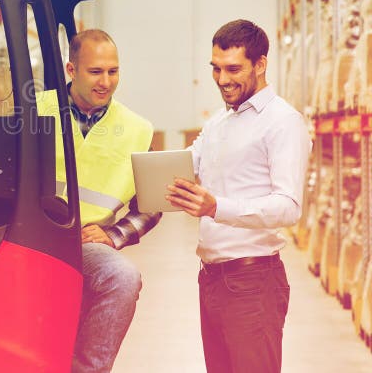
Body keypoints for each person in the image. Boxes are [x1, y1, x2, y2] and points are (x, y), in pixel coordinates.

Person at [166, 19, 310, 373]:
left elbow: (289, 207)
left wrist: (217, 208)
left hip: (252, 282)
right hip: (211, 278)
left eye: (233, 69)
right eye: (215, 68)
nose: (222, 79)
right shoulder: (219, 122)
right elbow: (183, 164)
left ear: (260, 64)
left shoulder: (282, 122)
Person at [36, 29, 161, 372]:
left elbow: (151, 204)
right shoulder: (34, 113)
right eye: (95, 72)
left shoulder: (136, 129)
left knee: (123, 277)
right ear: (71, 70)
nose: (106, 82)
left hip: (86, 244)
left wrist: (113, 235)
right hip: (30, 237)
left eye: (113, 71)